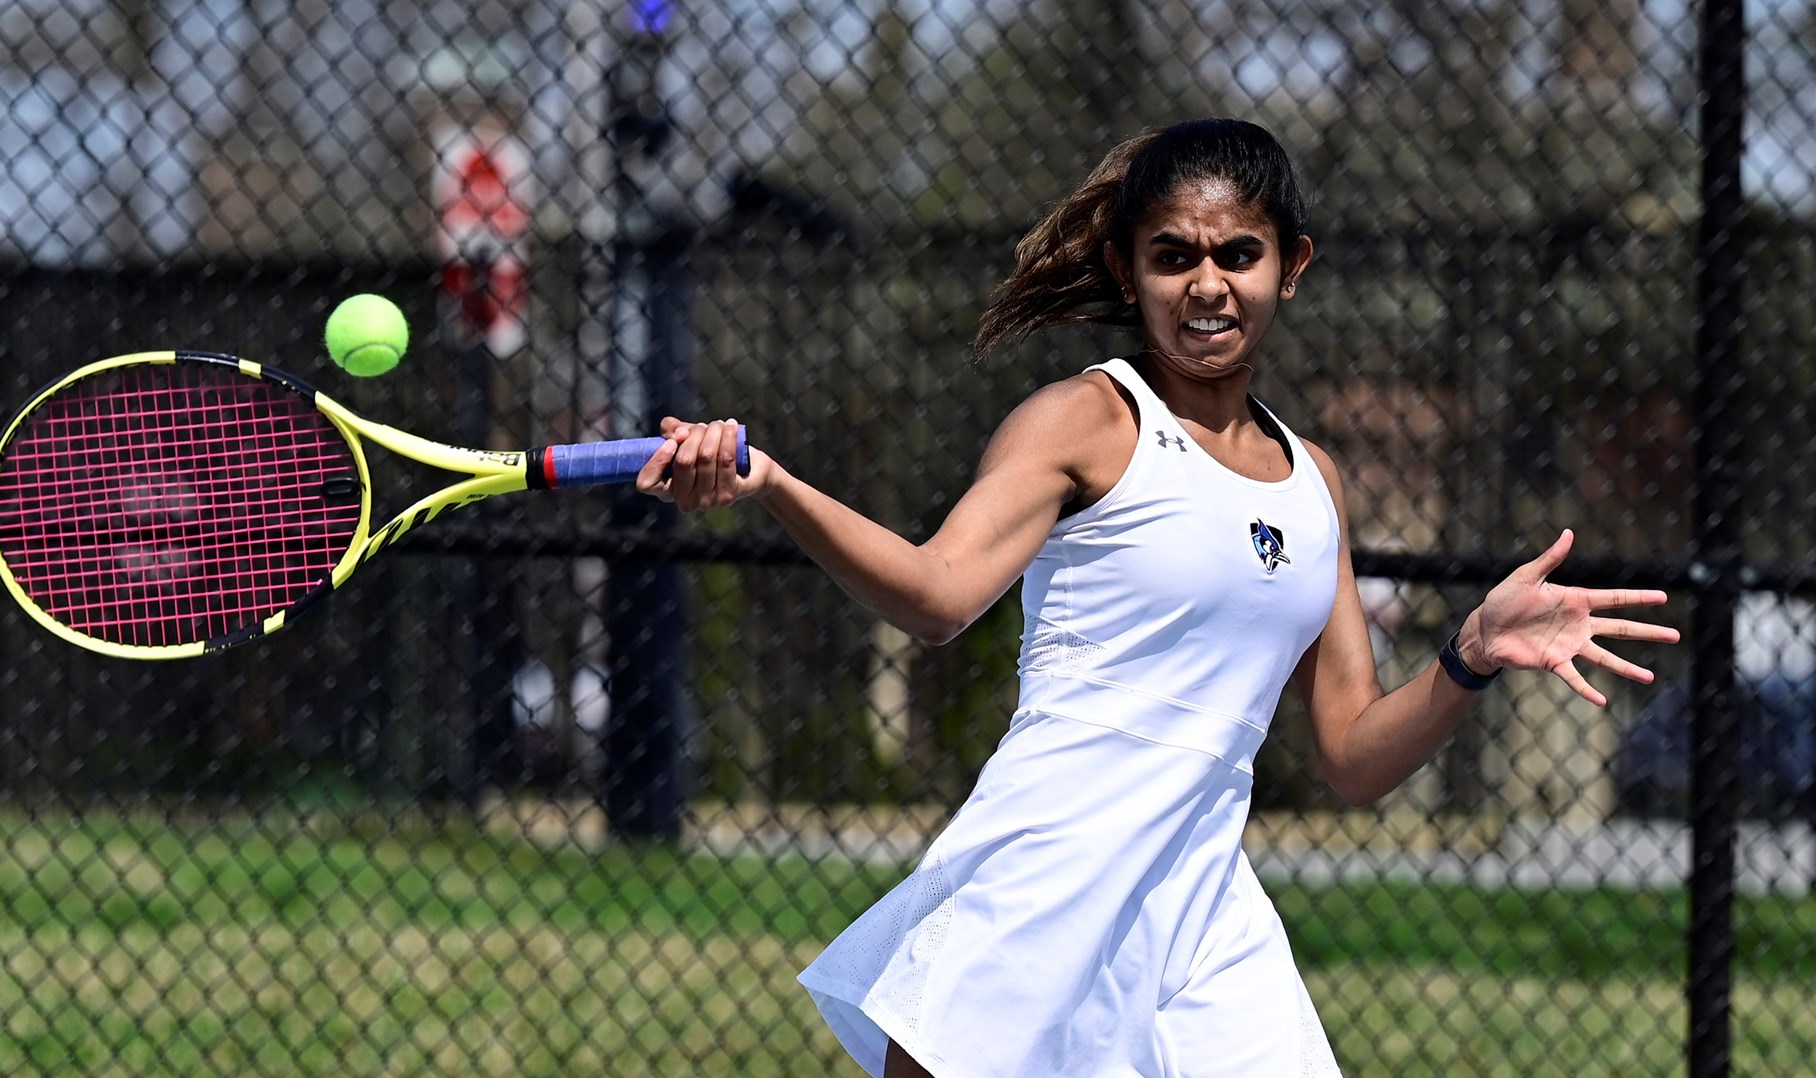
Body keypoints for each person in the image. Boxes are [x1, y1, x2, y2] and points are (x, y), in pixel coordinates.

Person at [636, 118, 1681, 1077]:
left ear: (1292, 266)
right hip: (1042, 875)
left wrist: (1470, 652)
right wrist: (771, 481)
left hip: (1202, 907)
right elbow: (939, 595)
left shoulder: (1314, 481)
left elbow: (1355, 755)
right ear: (1125, 271)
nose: (1208, 284)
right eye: (1173, 255)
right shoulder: (1084, 420)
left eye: (1239, 254)